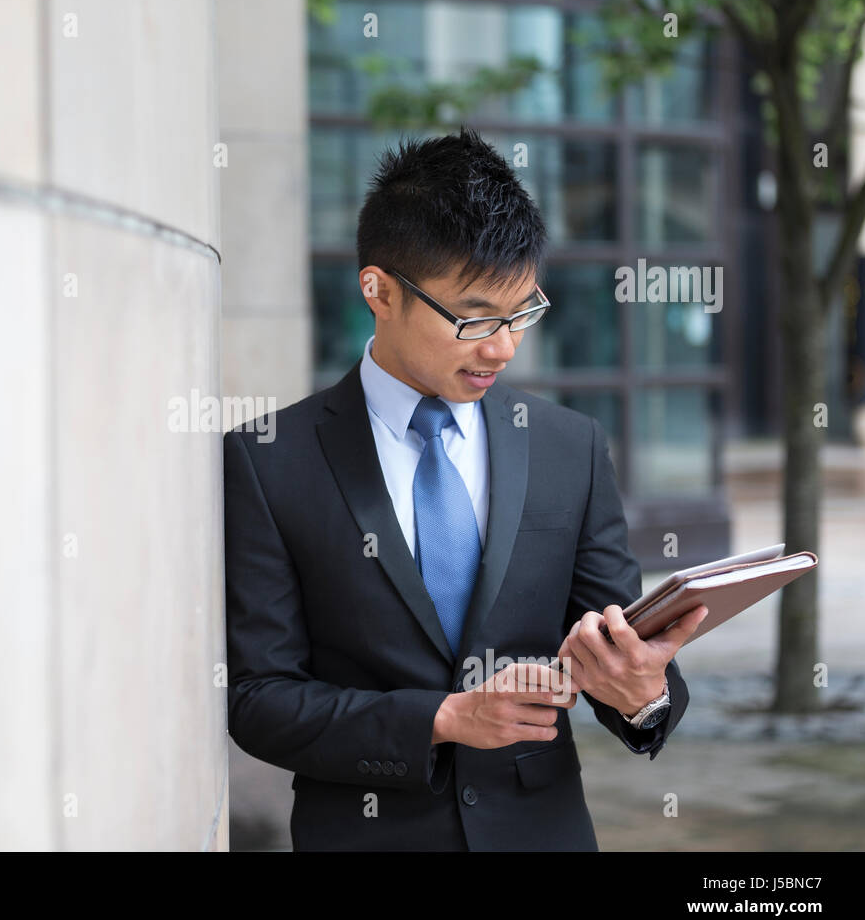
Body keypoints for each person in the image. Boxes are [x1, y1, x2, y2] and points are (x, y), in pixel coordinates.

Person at [223, 127, 706, 851]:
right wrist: (443, 719)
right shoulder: (269, 460)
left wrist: (643, 692)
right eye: (476, 317)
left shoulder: (568, 449)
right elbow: (260, 700)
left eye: (521, 313)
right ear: (379, 291)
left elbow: (616, 643)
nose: (503, 346)